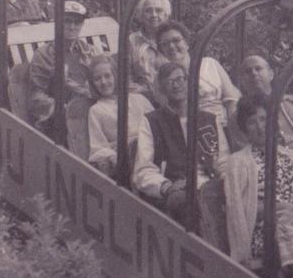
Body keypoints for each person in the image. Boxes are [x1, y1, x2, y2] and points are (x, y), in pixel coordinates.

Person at [133, 62, 228, 228]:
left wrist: (226, 181)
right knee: (186, 202)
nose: (176, 85)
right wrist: (166, 187)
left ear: (188, 82)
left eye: (180, 79)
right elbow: (143, 170)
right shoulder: (152, 121)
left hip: (210, 184)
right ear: (162, 88)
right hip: (178, 189)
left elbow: (224, 160)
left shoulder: (209, 119)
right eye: (170, 82)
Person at [223, 92, 293, 268]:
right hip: (265, 233)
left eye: (264, 119)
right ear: (244, 128)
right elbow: (237, 209)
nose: (260, 127)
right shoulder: (237, 162)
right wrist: (274, 210)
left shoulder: (291, 156)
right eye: (252, 122)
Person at [154, 20, 240, 128]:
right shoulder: (160, 78)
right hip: (189, 132)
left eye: (176, 40)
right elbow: (171, 113)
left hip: (223, 126)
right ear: (161, 50)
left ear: (186, 43)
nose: (171, 46)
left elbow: (231, 102)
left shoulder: (210, 64)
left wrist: (233, 134)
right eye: (165, 44)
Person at [27, 0, 95, 132]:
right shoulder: (44, 54)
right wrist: (59, 108)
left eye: (77, 22)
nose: (72, 27)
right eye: (67, 21)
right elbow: (37, 94)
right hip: (63, 111)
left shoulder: (89, 51)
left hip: (90, 106)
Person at [232, 51, 293, 152]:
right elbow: (245, 151)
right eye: (247, 71)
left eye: (258, 68)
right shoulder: (237, 116)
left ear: (271, 74)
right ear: (241, 80)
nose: (254, 73)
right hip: (266, 163)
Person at [87, 55, 154, 176]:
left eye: (107, 76)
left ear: (116, 76)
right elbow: (98, 147)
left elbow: (157, 127)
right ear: (92, 83)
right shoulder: (96, 110)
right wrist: (112, 156)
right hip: (127, 157)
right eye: (97, 79)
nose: (103, 82)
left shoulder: (138, 99)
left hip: (151, 148)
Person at [128, 0, 172, 98]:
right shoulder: (132, 41)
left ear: (166, 15)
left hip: (172, 96)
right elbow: (126, 78)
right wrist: (147, 93)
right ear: (141, 15)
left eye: (159, 10)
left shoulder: (174, 39)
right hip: (143, 97)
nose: (154, 15)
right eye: (148, 10)